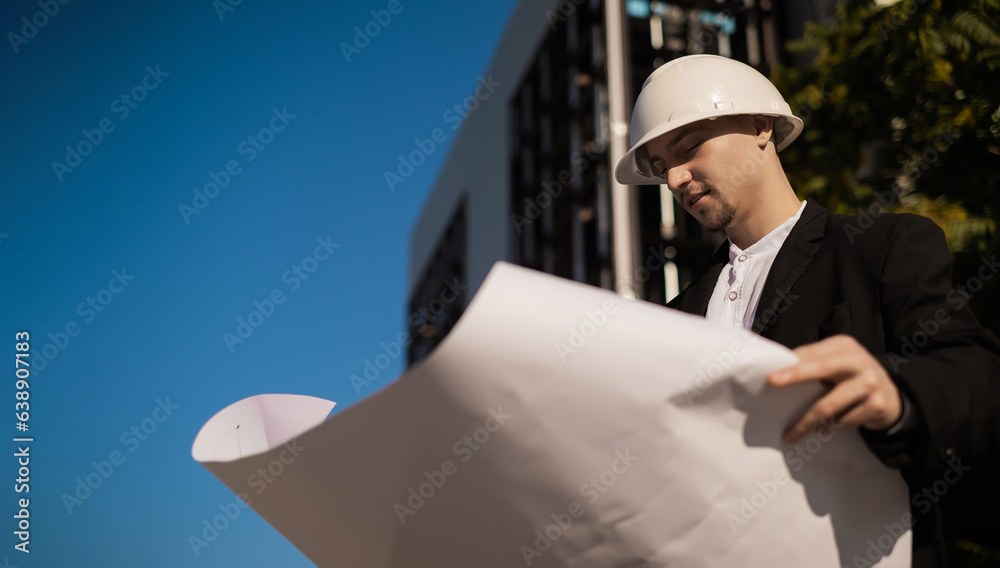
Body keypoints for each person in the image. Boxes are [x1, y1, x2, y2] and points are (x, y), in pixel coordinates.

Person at [614, 54, 1000, 567]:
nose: (677, 178)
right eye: (662, 168)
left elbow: (979, 376)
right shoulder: (670, 321)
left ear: (760, 126)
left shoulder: (882, 248)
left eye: (688, 147)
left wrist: (899, 397)